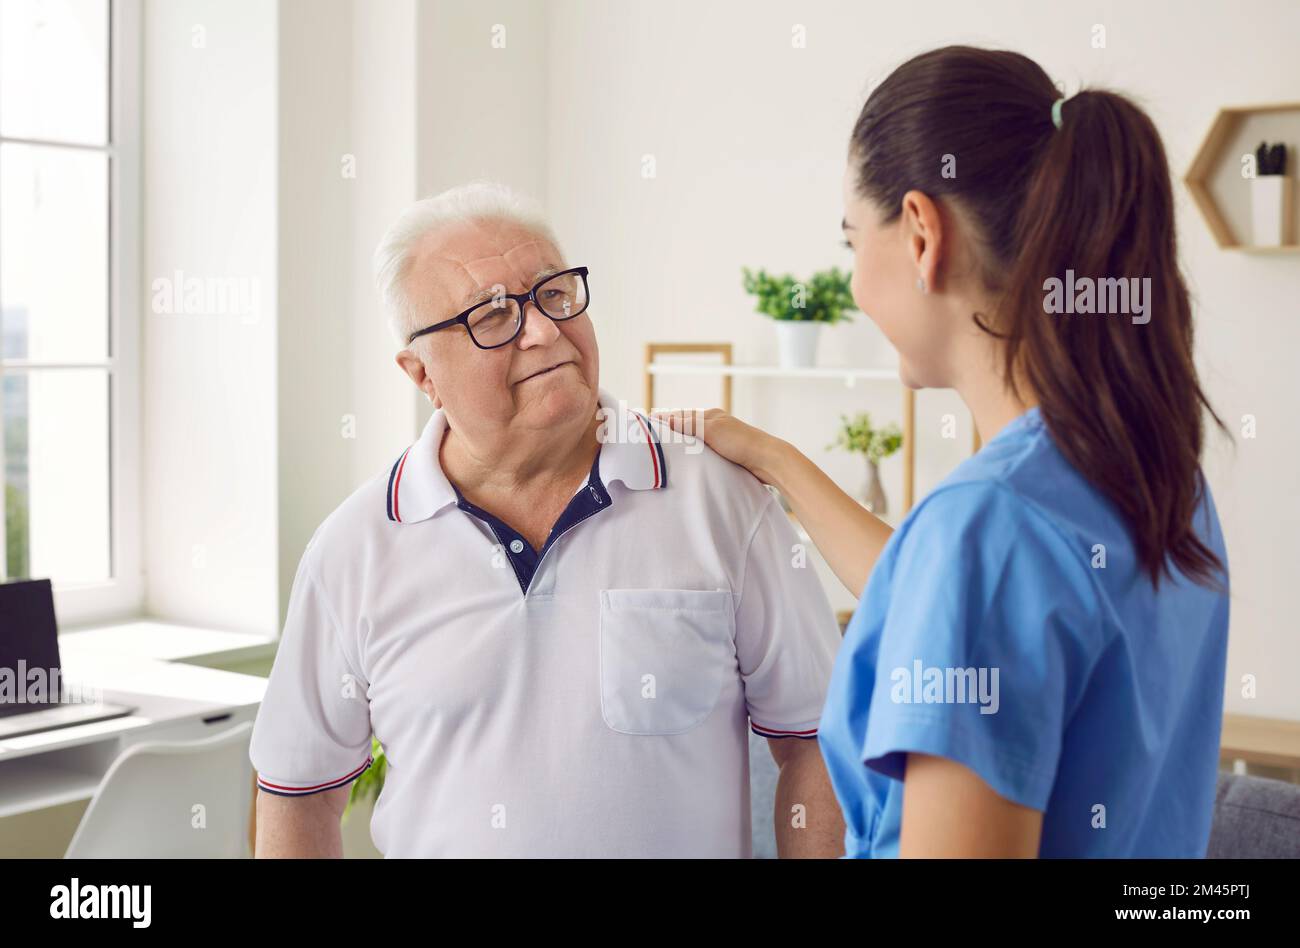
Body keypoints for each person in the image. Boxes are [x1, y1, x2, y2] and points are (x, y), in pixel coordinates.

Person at [658, 46, 1230, 858]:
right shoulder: (1151, 472)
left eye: (854, 240)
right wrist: (773, 458)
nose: (855, 281)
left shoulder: (984, 531)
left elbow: (972, 583)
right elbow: (943, 600)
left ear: (923, 233)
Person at [250, 182, 845, 857]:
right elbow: (299, 792)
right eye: (494, 315)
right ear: (422, 373)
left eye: (554, 294)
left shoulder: (721, 499)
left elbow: (819, 740)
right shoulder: (353, 548)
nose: (543, 330)